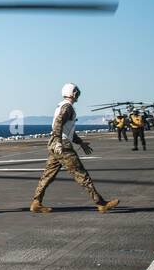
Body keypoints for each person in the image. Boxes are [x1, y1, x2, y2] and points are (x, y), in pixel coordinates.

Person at [31, 83, 119, 214]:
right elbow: (58, 123)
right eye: (76, 92)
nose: (78, 94)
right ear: (73, 93)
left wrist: (80, 142)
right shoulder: (67, 107)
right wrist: (59, 142)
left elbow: (67, 130)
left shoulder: (62, 105)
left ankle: (36, 203)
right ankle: (101, 204)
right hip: (62, 146)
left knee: (48, 175)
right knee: (81, 174)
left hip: (55, 144)